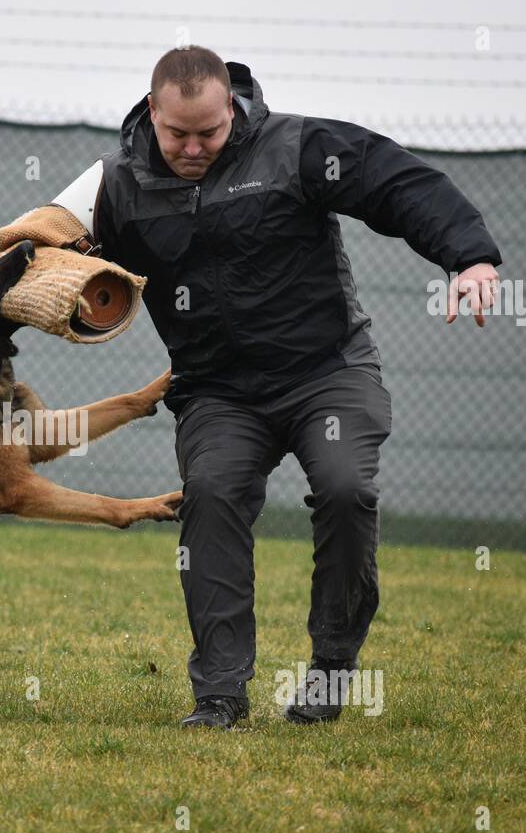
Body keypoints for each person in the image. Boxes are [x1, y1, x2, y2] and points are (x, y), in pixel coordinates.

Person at [48, 46, 502, 729]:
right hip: (217, 392)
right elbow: (43, 247)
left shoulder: (297, 147)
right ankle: (220, 696)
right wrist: (43, 291)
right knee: (211, 497)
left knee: (346, 488)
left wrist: (467, 255)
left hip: (327, 372)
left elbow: (394, 181)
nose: (195, 147)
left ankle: (329, 670)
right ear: (152, 113)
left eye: (210, 131)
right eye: (179, 134)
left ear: (231, 106)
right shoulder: (115, 183)